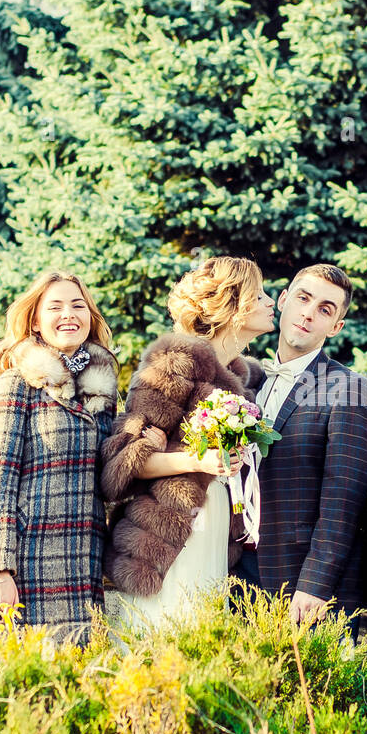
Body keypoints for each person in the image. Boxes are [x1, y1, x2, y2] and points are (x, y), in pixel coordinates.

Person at [100, 256, 271, 634]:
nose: (271, 302)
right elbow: (122, 466)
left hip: (217, 527)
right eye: (259, 296)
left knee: (202, 647)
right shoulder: (175, 361)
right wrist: (200, 460)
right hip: (165, 536)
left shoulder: (245, 376)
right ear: (232, 306)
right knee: (163, 644)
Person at [231, 264, 367, 628]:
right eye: (303, 298)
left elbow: (344, 502)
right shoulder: (245, 380)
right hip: (236, 571)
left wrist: (314, 585)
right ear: (283, 300)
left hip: (302, 583)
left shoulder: (349, 388)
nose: (309, 313)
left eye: (325, 309)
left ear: (336, 326)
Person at [0, 270, 120, 644]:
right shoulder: (17, 384)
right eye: (54, 307)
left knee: (80, 687)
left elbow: (109, 473)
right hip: (30, 562)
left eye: (78, 305)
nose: (68, 314)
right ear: (36, 321)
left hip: (84, 558)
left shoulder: (102, 389)